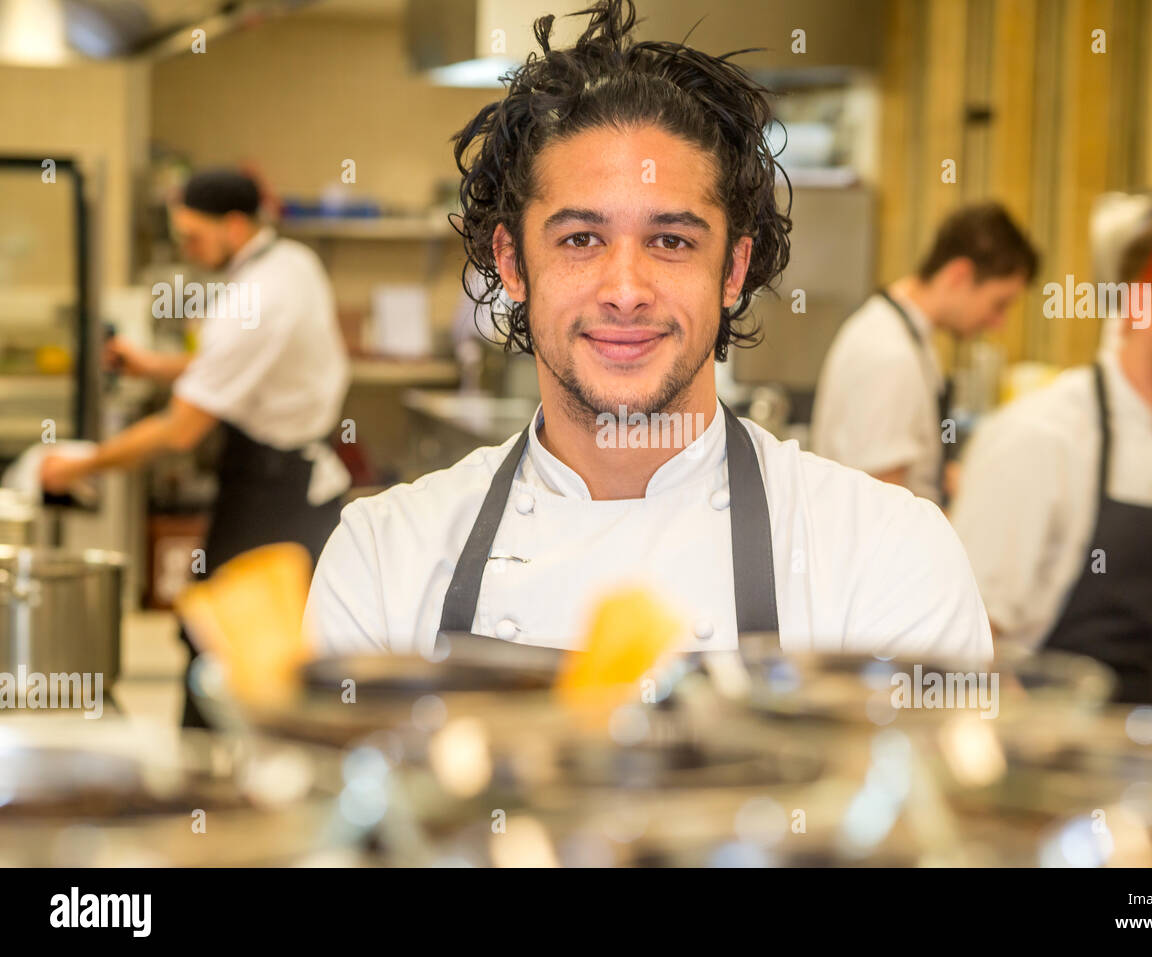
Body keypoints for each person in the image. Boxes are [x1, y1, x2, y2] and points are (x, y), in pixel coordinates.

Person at [305, 0, 992, 661]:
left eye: (670, 240)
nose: (626, 291)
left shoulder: (887, 555)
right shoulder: (383, 561)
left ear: (733, 269)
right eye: (580, 239)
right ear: (511, 264)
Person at [42, 169, 351, 726]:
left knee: (221, 634)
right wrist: (154, 364)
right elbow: (240, 368)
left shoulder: (258, 297)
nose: (187, 248)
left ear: (234, 226)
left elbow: (179, 430)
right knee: (253, 630)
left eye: (192, 235)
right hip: (291, 474)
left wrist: (79, 465)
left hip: (273, 487)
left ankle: (207, 776)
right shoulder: (290, 262)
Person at [950, 209, 1152, 714]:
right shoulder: (1037, 439)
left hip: (1139, 769)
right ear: (1140, 305)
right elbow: (967, 648)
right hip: (1032, 765)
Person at [811, 203, 1038, 505]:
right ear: (959, 275)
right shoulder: (889, 355)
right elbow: (881, 507)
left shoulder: (911, 338)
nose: (998, 323)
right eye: (999, 304)